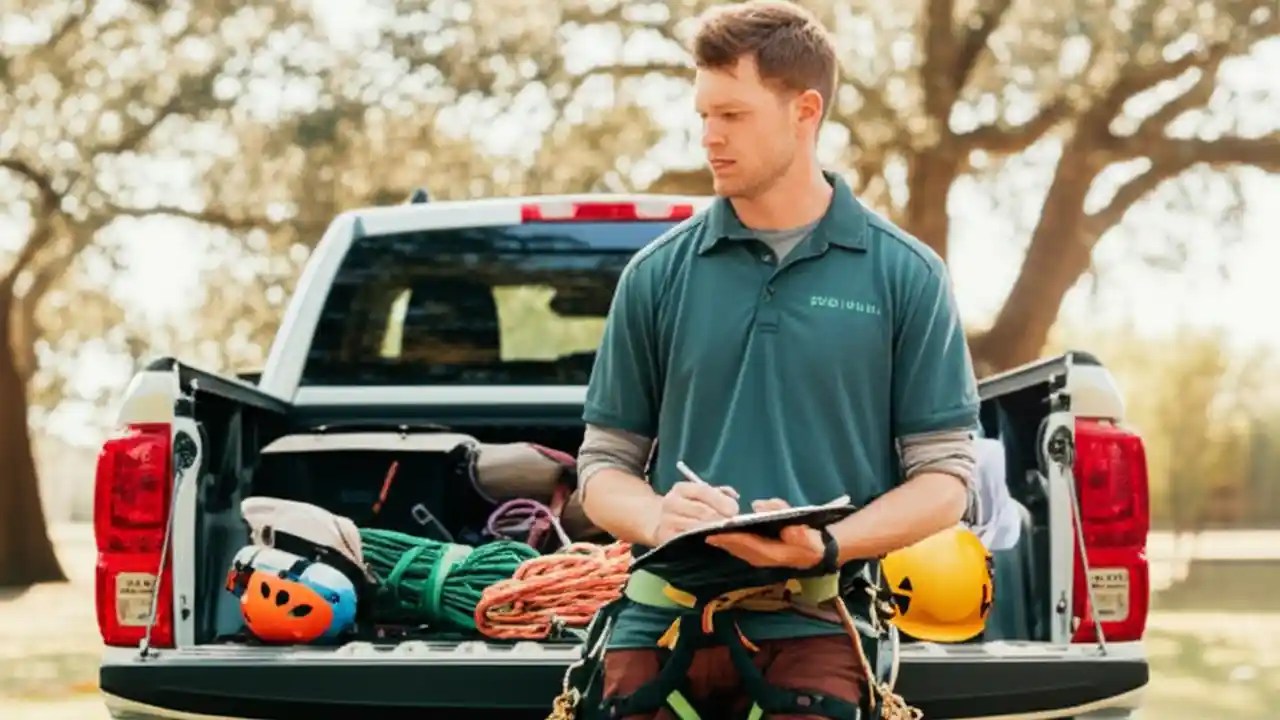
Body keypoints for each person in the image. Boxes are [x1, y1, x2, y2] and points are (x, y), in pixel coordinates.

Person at [574, 1, 981, 717]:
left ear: (806, 110)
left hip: (814, 621)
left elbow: (945, 479)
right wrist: (658, 517)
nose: (709, 137)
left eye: (732, 115)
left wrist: (827, 546)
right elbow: (603, 467)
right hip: (661, 615)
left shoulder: (905, 274)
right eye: (702, 115)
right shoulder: (656, 273)